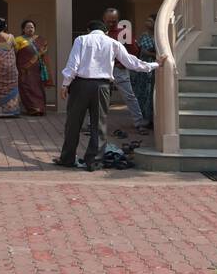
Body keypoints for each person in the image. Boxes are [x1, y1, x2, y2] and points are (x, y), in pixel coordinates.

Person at [55, 20, 163, 171]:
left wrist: (65, 84)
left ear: (88, 30)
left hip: (80, 85)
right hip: (103, 86)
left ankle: (67, 158)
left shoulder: (81, 40)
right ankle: (94, 162)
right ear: (105, 32)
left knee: (73, 123)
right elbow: (132, 62)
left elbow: (73, 64)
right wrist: (155, 64)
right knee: (99, 124)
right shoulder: (113, 43)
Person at [102, 7, 149, 134]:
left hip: (119, 69)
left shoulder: (124, 32)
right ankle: (93, 124)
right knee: (99, 97)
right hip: (103, 69)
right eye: (109, 21)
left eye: (114, 21)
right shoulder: (100, 33)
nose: (111, 24)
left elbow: (134, 50)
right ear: (104, 20)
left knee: (129, 96)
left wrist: (125, 63)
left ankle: (139, 123)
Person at [14, 18, 51, 115]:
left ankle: (40, 108)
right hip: (24, 69)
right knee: (26, 88)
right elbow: (14, 53)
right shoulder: (18, 40)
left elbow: (44, 53)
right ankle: (32, 109)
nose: (30, 29)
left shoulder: (40, 40)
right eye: (28, 27)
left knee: (38, 88)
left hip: (37, 69)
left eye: (32, 27)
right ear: (23, 29)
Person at [129, 14, 158, 129]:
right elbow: (143, 51)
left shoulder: (158, 36)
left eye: (150, 21)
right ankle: (143, 118)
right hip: (144, 67)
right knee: (142, 93)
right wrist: (153, 54)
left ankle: (151, 118)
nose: (147, 23)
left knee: (151, 93)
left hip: (154, 69)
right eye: (147, 20)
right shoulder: (144, 36)